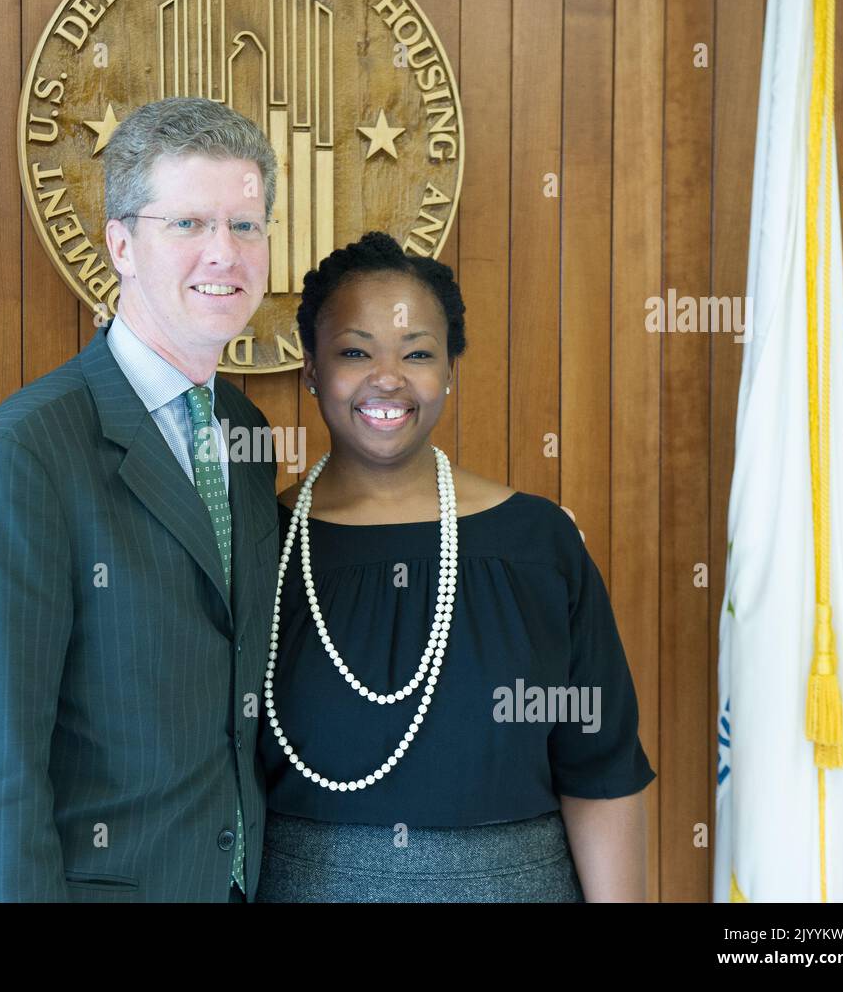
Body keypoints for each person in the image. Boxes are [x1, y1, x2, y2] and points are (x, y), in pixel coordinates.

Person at [0, 97, 281, 902]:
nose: (224, 252)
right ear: (122, 244)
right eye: (188, 224)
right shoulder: (26, 454)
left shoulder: (247, 439)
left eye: (245, 225)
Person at [255, 231, 656, 902]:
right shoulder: (258, 544)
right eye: (355, 351)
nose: (387, 377)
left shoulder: (537, 543)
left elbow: (600, 771)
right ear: (312, 369)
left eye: (417, 353)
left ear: (449, 372)